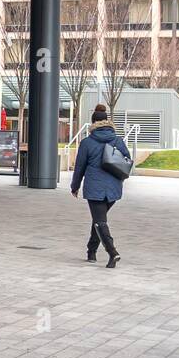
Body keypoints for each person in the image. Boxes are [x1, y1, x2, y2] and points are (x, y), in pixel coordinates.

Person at [70, 104, 132, 268]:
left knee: (99, 221)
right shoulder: (118, 141)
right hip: (113, 188)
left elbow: (80, 167)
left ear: (92, 123)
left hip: (94, 188)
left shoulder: (87, 142)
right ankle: (91, 251)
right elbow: (127, 160)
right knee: (99, 220)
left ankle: (112, 252)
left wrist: (74, 186)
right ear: (107, 122)